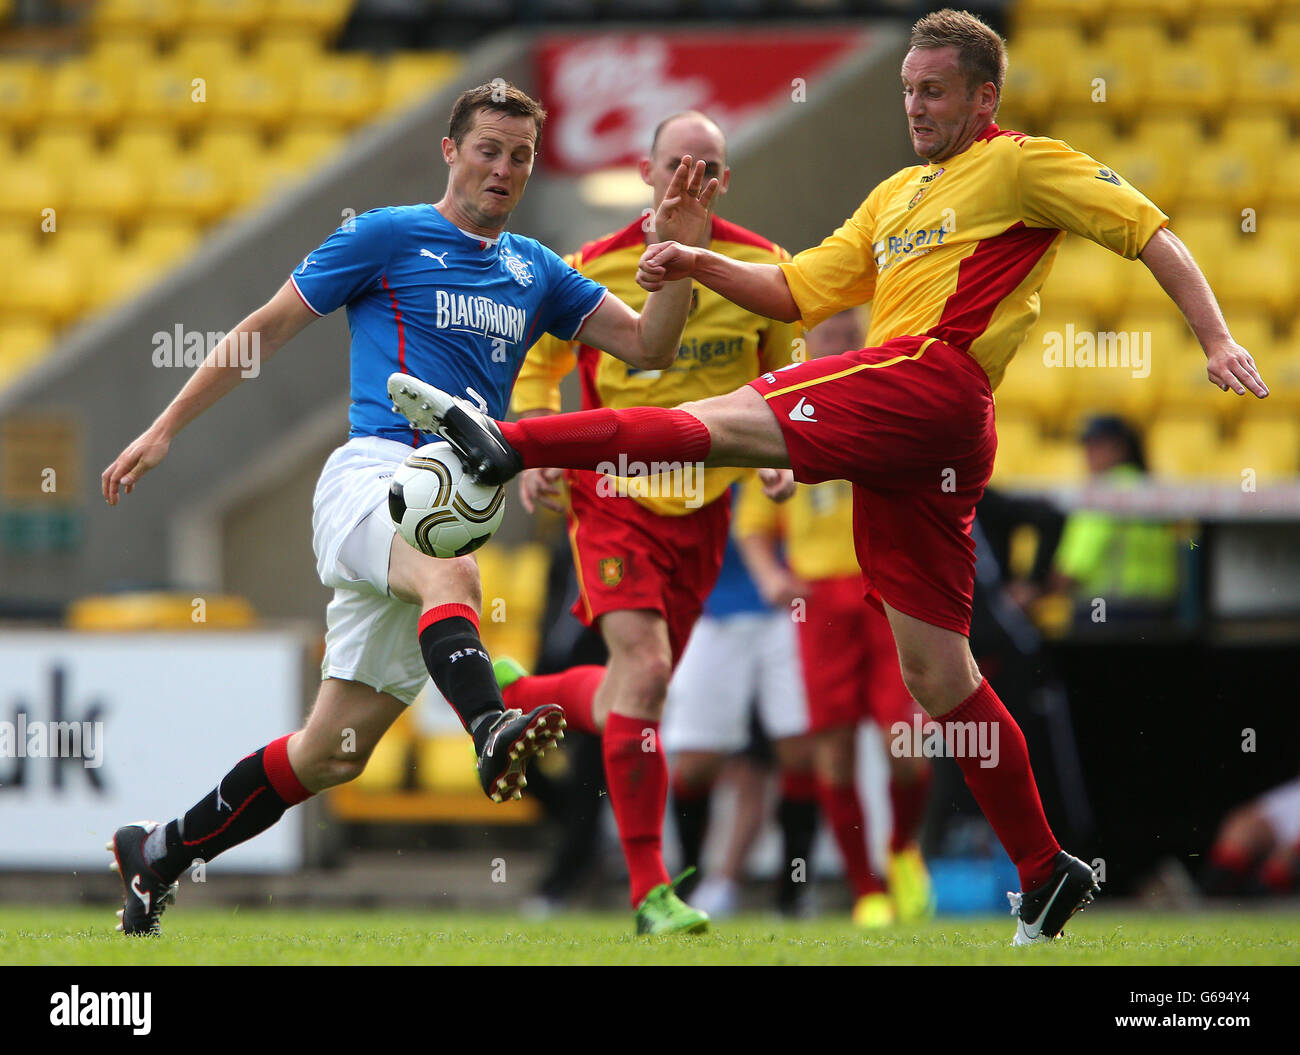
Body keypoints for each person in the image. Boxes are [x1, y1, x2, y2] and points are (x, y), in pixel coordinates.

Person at [390, 10, 1269, 944]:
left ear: (985, 95)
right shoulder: (895, 196)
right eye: (907, 90)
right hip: (914, 438)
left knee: (712, 425)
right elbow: (801, 290)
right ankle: (1048, 869)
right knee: (939, 674)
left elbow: (1149, 231)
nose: (917, 107)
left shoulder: (1021, 163)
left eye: (935, 91)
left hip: (932, 381)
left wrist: (1214, 337)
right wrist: (693, 260)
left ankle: (508, 444)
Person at [98, 82, 719, 936]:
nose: (504, 169)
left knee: (330, 753)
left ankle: (156, 851)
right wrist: (167, 425)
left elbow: (652, 344)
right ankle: (491, 720)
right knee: (450, 564)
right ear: (451, 150)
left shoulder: (533, 267)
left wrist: (682, 260)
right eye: (489, 150)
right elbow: (268, 325)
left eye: (522, 156)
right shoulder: (385, 234)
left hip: (462, 492)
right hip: (375, 473)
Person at [481, 111, 803, 934]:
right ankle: (649, 888)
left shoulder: (764, 266)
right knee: (649, 675)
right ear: (644, 172)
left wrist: (785, 444)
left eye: (706, 168)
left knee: (635, 690)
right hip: (613, 497)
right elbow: (542, 361)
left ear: (723, 181)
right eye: (675, 164)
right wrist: (541, 440)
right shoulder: (593, 265)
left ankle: (520, 691)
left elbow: (785, 367)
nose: (688, 179)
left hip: (704, 508)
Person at [734, 309, 934, 928]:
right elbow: (755, 527)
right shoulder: (783, 413)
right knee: (834, 749)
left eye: (852, 334)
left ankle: (901, 847)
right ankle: (864, 889)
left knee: (906, 743)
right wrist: (771, 577)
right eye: (831, 335)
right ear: (809, 342)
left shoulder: (891, 400)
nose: (842, 344)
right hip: (820, 604)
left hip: (886, 593)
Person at [660, 479, 817, 918]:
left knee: (800, 753)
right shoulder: (699, 431)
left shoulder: (792, 426)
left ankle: (794, 892)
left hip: (791, 609)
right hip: (713, 613)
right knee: (694, 762)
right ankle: (686, 888)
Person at [1052, 415, 1181, 628]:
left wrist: (1042, 590)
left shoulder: (1102, 493)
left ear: (1120, 448)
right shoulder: (1151, 489)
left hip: (1108, 610)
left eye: (1096, 446)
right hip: (1160, 609)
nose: (1088, 454)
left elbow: (1075, 566)